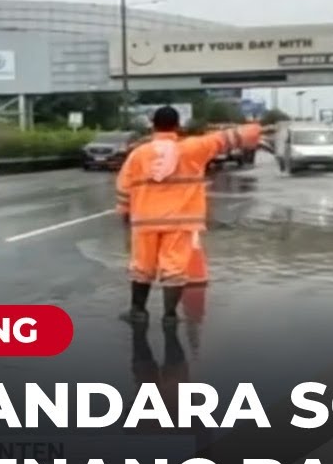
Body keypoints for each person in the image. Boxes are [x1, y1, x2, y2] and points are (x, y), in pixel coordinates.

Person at [114, 107, 271, 325]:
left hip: (145, 221)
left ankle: (138, 311)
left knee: (142, 265)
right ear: (178, 126)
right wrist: (258, 128)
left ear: (152, 126)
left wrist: (124, 210)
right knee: (175, 267)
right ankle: (169, 316)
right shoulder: (193, 148)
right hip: (181, 220)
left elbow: (123, 185)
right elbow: (226, 138)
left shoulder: (139, 154)